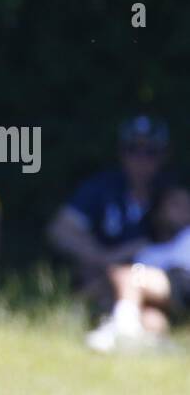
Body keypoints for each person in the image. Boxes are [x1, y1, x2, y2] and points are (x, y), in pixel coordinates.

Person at [47, 116, 171, 299]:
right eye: (132, 150)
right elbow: (60, 229)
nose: (141, 159)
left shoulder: (173, 195)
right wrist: (104, 257)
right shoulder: (101, 188)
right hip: (104, 279)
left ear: (164, 156)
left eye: (150, 152)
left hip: (156, 281)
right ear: (121, 152)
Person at [86, 184, 190, 352]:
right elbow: (106, 263)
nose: (184, 211)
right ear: (160, 209)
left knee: (128, 277)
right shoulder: (147, 251)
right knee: (149, 318)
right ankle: (150, 345)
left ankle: (122, 330)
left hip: (184, 281)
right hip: (164, 295)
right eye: (176, 205)